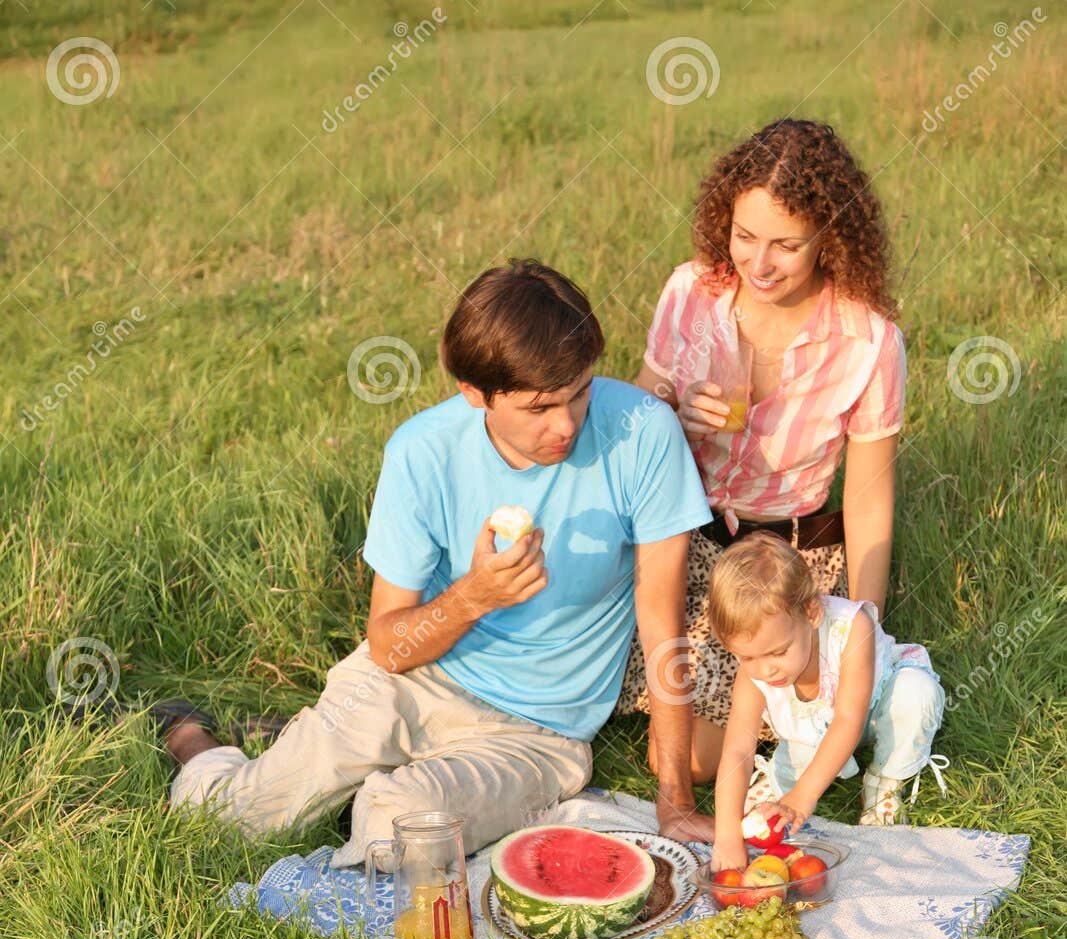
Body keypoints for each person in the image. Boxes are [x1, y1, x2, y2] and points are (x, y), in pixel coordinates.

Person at [164, 260, 715, 864]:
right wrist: (474, 597)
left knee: (403, 833)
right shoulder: (421, 452)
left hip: (536, 735)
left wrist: (675, 803)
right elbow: (390, 646)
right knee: (229, 819)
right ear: (475, 394)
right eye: (539, 408)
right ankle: (194, 740)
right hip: (413, 681)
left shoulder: (643, 432)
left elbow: (663, 625)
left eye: (581, 393)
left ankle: (344, 771)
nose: (567, 424)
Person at [615, 117, 906, 801]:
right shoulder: (690, 291)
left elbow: (866, 499)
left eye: (786, 245)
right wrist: (670, 416)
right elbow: (629, 427)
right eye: (744, 237)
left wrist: (857, 634)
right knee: (679, 756)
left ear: (828, 239)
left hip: (789, 563)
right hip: (689, 547)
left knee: (716, 748)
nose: (759, 263)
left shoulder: (868, 338)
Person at [707, 533, 945, 868]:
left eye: (778, 651)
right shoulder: (757, 666)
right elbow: (736, 749)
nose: (764, 669)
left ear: (812, 613)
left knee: (915, 694)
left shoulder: (852, 628)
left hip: (876, 710)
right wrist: (726, 836)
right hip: (815, 730)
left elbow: (848, 719)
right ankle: (779, 784)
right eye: (747, 658)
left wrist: (802, 799)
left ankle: (884, 779)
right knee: (793, 768)